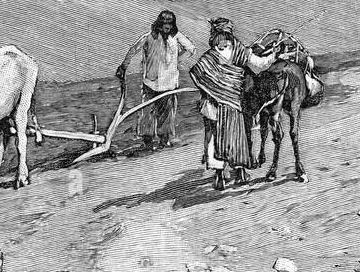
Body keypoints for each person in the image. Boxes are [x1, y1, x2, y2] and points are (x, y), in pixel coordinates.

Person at [189, 20, 291, 190]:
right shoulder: (208, 58)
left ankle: (239, 171)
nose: (222, 40)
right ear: (214, 37)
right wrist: (214, 89)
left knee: (237, 135)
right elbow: (199, 75)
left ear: (229, 36)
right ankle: (220, 175)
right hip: (215, 104)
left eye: (225, 36)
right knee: (216, 137)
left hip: (235, 102)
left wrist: (274, 55)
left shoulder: (239, 50)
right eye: (219, 37)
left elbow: (260, 64)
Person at [116, 10, 196, 147]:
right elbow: (133, 49)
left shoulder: (175, 37)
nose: (167, 27)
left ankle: (164, 141)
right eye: (165, 23)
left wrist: (176, 61)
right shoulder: (149, 37)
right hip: (150, 83)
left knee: (166, 113)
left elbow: (191, 49)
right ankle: (147, 141)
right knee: (148, 113)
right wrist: (123, 66)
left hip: (169, 84)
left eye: (170, 24)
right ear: (159, 23)